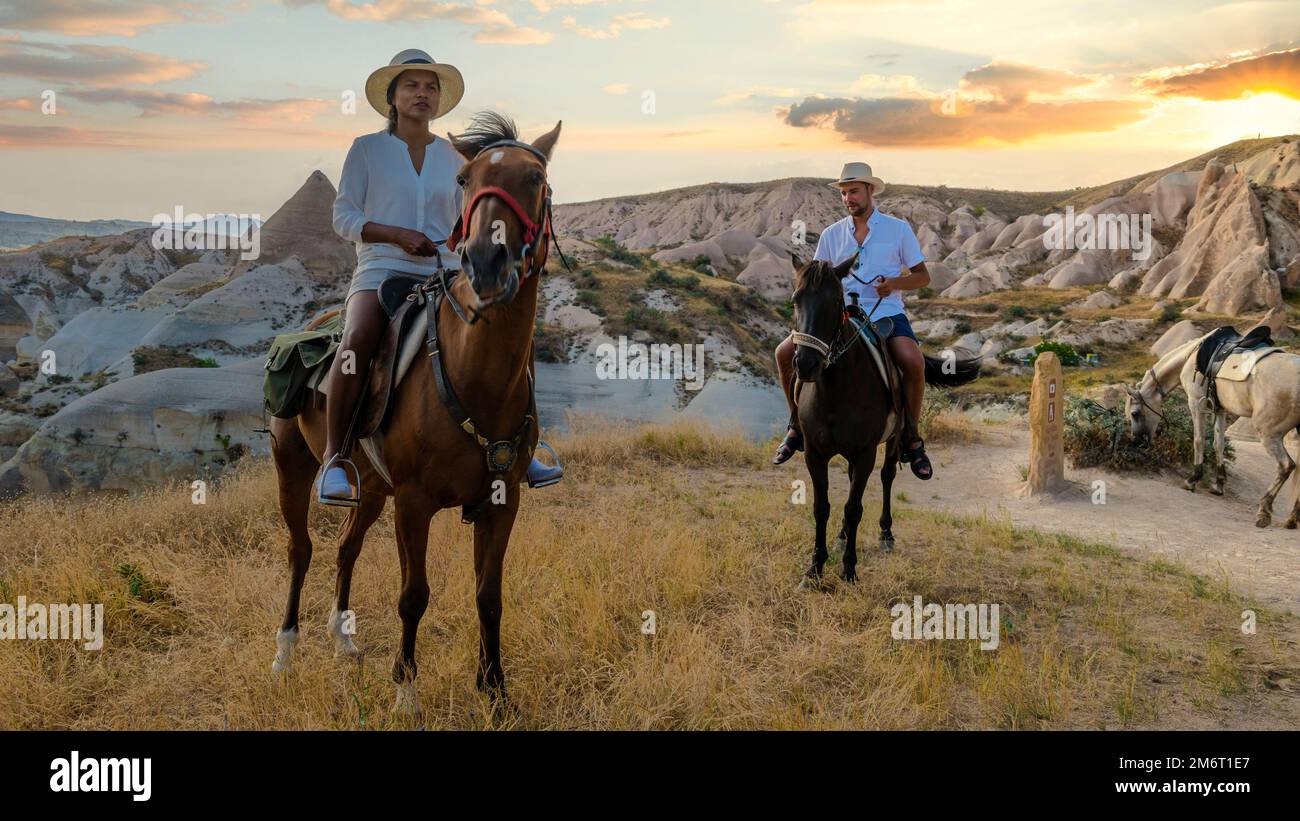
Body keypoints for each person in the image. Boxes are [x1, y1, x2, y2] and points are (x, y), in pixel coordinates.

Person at [316, 48, 562, 506]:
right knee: (357, 341)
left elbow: (470, 213)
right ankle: (336, 460)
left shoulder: (456, 157)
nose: (422, 94)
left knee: (509, 337)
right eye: (411, 85)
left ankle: (522, 447)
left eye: (430, 87)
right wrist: (395, 235)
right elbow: (344, 216)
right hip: (382, 269)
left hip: (446, 269)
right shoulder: (366, 150)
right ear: (392, 97)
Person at [771, 161, 935, 480]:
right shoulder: (832, 234)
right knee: (783, 354)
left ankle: (911, 438)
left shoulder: (897, 229)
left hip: (885, 313)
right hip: (840, 315)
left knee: (913, 361)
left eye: (854, 192)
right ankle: (795, 425)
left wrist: (894, 284)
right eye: (845, 193)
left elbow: (923, 277)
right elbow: (818, 280)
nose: (849, 198)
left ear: (870, 191)